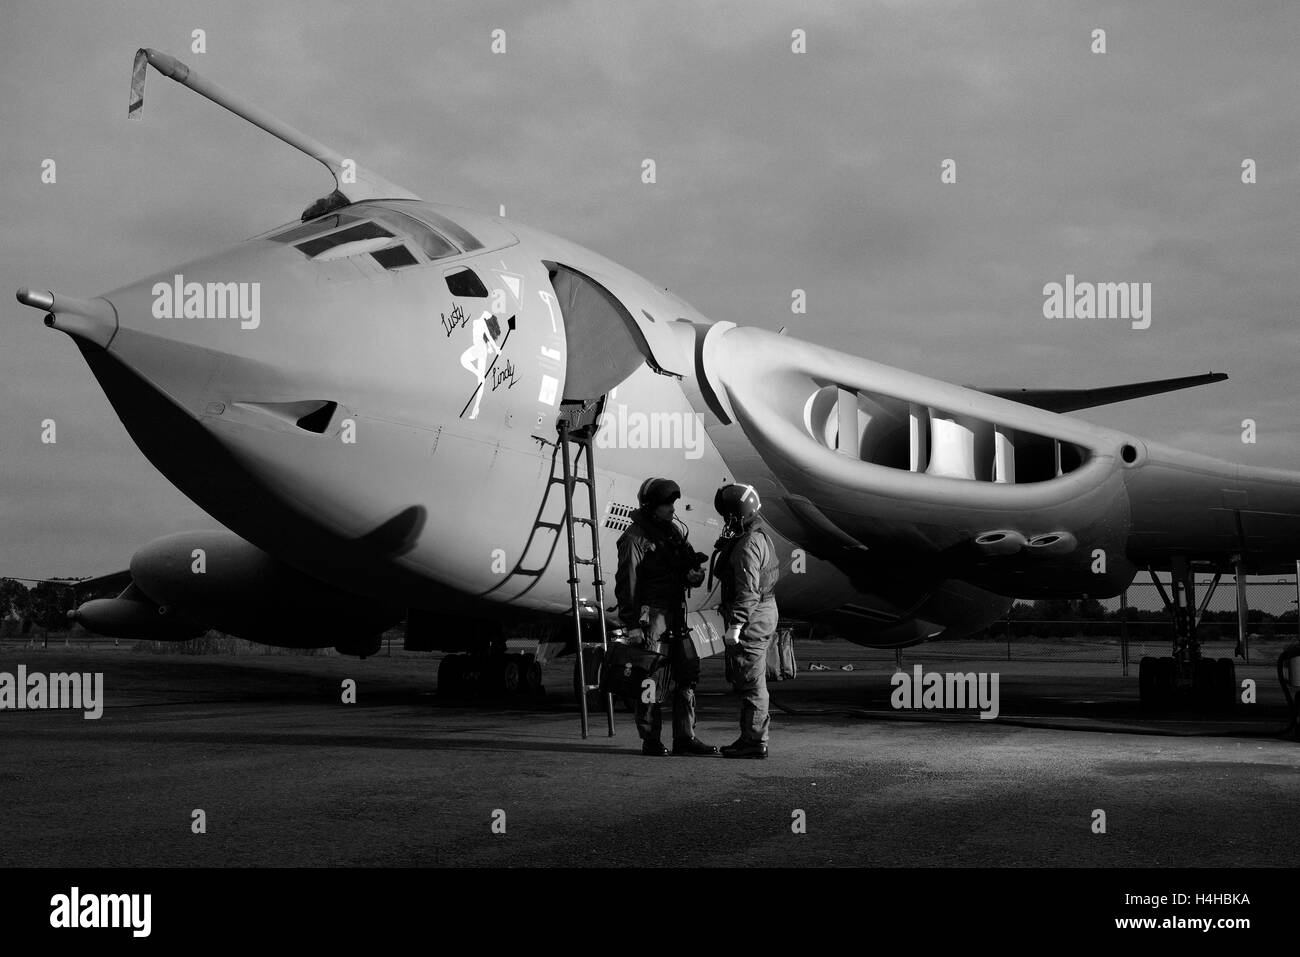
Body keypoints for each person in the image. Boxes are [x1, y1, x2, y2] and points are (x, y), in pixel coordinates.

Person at [614, 477, 715, 757]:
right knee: (650, 677)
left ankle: (685, 737)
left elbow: (686, 567)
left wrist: (694, 576)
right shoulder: (635, 539)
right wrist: (632, 625)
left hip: (676, 614)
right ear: (651, 507)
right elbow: (627, 584)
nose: (672, 508)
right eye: (666, 504)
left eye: (672, 503)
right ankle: (651, 740)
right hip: (652, 618)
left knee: (687, 675)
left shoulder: (673, 533)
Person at [712, 484, 780, 759]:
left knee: (752, 683)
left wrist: (736, 625)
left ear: (735, 515)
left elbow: (748, 591)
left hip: (752, 617)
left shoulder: (748, 544)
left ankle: (754, 741)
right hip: (764, 611)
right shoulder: (757, 535)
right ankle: (750, 737)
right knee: (753, 679)